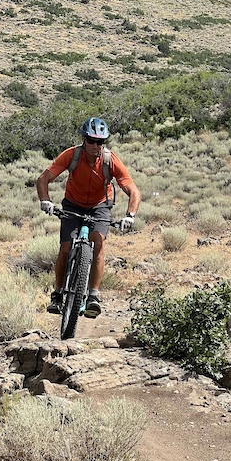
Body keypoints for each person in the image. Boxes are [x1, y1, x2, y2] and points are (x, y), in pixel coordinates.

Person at [36, 117, 141, 318]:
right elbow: (43, 179)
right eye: (91, 141)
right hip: (73, 204)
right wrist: (45, 201)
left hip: (100, 205)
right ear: (84, 139)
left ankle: (93, 296)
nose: (95, 146)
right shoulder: (72, 155)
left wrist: (130, 216)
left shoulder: (110, 160)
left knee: (98, 244)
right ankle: (57, 294)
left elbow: (133, 191)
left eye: (100, 142)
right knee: (65, 248)